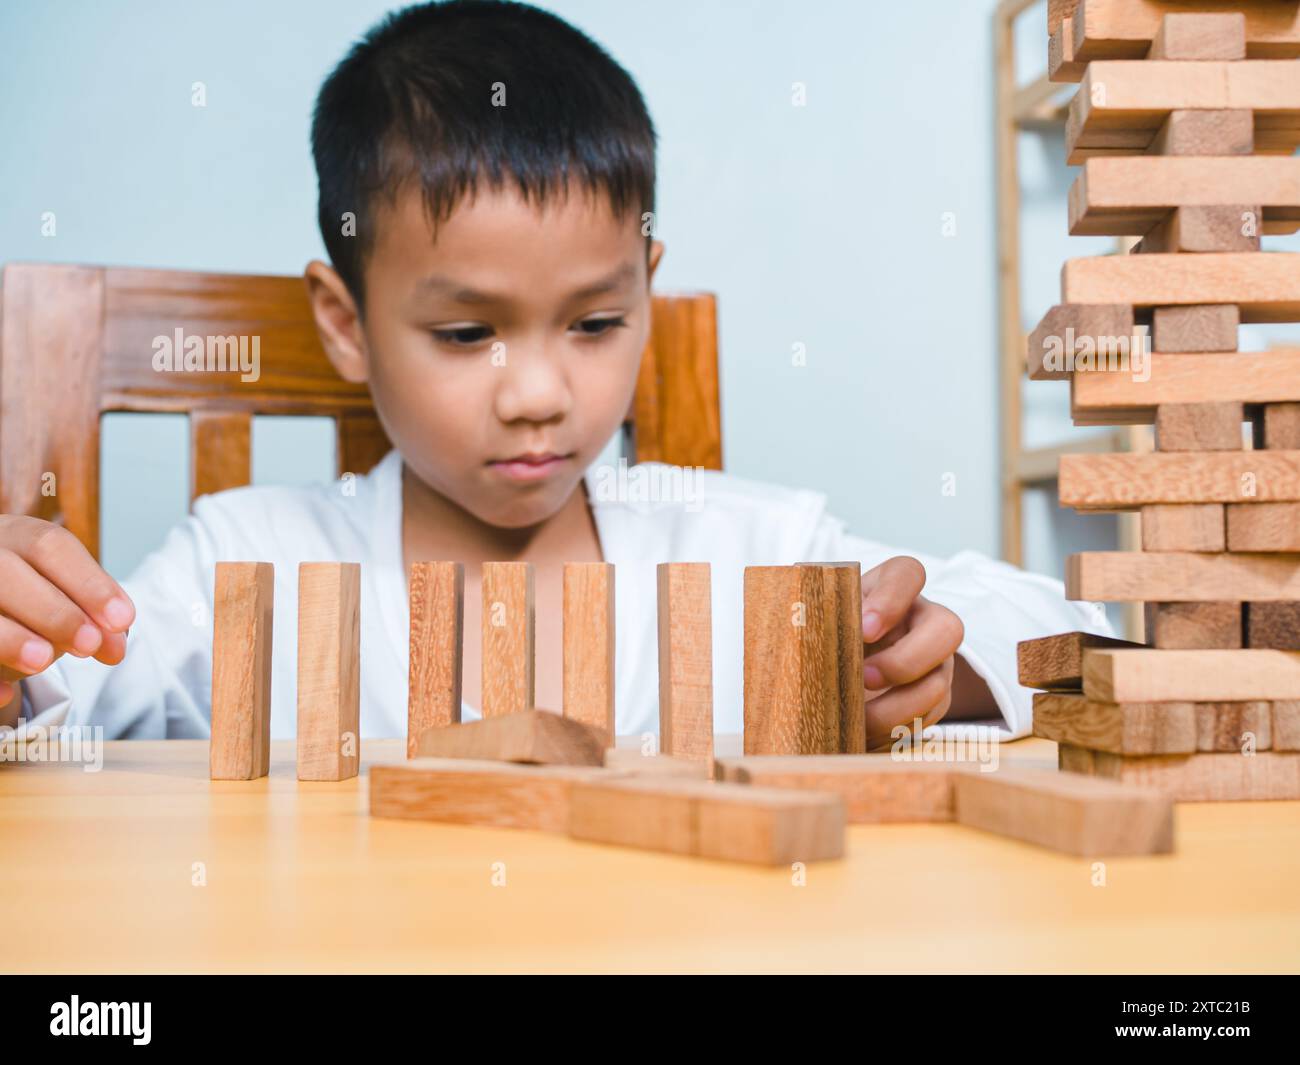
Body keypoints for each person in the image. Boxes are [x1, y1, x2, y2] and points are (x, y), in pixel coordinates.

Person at [0, 0, 1109, 748]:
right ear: (345, 325)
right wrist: (17, 668)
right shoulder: (245, 560)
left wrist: (936, 670)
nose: (538, 393)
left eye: (593, 321)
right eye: (467, 335)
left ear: (647, 288)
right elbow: (60, 712)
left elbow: (1054, 622)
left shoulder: (741, 547)